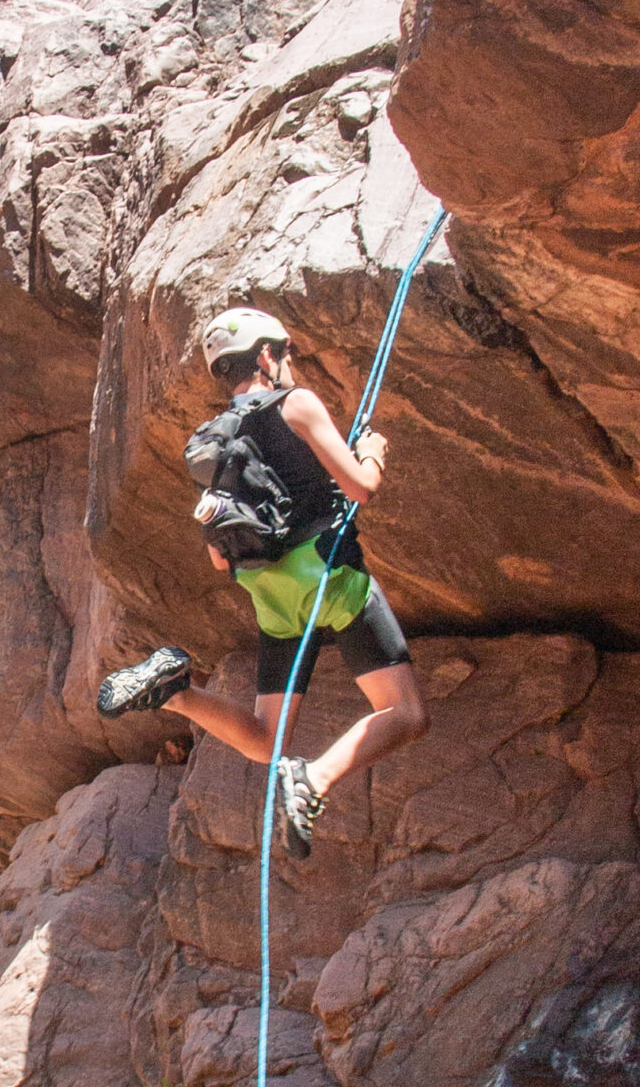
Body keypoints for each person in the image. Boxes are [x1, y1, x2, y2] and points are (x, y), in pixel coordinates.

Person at [94, 307, 427, 858]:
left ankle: (175, 693)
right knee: (407, 713)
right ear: (267, 355)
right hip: (328, 578)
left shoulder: (215, 442)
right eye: (286, 353)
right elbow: (362, 486)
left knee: (266, 741)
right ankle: (315, 780)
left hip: (269, 593)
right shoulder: (296, 403)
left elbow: (220, 561)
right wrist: (372, 451)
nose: (290, 363)